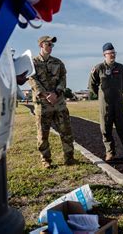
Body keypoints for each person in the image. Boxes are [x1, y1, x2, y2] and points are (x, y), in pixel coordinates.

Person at [28, 36, 75, 168]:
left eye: (52, 45)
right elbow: (32, 79)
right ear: (41, 45)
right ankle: (46, 161)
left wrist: (56, 93)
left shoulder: (58, 63)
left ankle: (69, 158)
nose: (50, 47)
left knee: (66, 131)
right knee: (43, 134)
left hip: (58, 103)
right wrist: (45, 94)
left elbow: (62, 79)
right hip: (42, 104)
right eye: (48, 44)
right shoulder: (33, 63)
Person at [89, 42, 123, 162]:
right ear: (104, 54)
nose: (113, 55)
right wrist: (101, 95)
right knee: (106, 129)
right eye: (110, 53)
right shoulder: (98, 68)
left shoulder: (121, 68)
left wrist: (119, 92)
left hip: (118, 103)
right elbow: (92, 85)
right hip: (105, 105)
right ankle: (110, 152)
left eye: (114, 53)